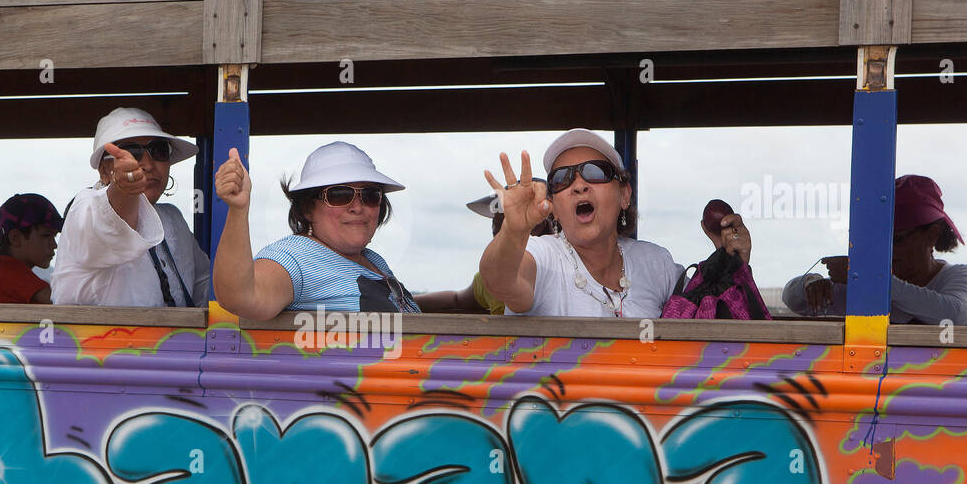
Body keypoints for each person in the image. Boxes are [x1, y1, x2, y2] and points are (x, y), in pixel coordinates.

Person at [479, 129, 752, 317]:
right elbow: (499, 280)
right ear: (555, 209)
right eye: (562, 179)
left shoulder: (656, 263)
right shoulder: (543, 256)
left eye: (595, 172)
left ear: (624, 195)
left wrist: (729, 263)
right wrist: (514, 230)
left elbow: (708, 314)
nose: (579, 186)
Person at [213, 141, 420, 321]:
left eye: (370, 195)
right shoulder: (296, 256)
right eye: (339, 194)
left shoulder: (372, 260)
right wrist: (238, 210)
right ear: (307, 208)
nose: (357, 207)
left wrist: (452, 300)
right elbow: (241, 297)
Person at [49, 108, 209, 307]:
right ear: (104, 171)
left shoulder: (172, 218)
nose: (148, 164)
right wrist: (124, 188)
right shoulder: (84, 207)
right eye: (132, 152)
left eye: (159, 150)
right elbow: (111, 222)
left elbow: (206, 288)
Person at [783, 174, 967, 326]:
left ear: (931, 235)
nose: (887, 250)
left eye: (897, 239)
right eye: (880, 241)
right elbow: (793, 298)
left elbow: (955, 315)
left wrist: (873, 279)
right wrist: (812, 282)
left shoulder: (960, 276)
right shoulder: (871, 284)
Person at [417, 180, 552, 314]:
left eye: (510, 224)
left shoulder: (558, 272)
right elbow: (456, 300)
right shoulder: (490, 277)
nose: (499, 233)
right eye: (497, 225)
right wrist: (403, 301)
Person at [0, 194, 63, 304]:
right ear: (15, 238)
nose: (55, 245)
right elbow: (57, 301)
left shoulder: (1, 270)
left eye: (54, 236)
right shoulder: (5, 270)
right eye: (46, 235)